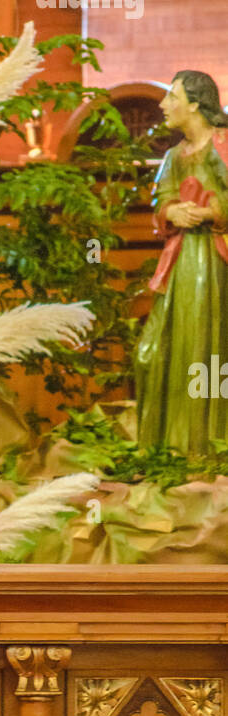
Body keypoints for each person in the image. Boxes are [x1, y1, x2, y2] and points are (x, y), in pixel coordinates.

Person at [136, 70, 228, 453]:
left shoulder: (223, 147)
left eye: (172, 97)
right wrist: (173, 212)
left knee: (207, 339)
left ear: (195, 103)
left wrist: (209, 213)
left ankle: (209, 437)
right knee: (161, 343)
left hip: (216, 256)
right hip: (180, 262)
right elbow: (161, 198)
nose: (163, 105)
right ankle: (172, 438)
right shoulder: (174, 156)